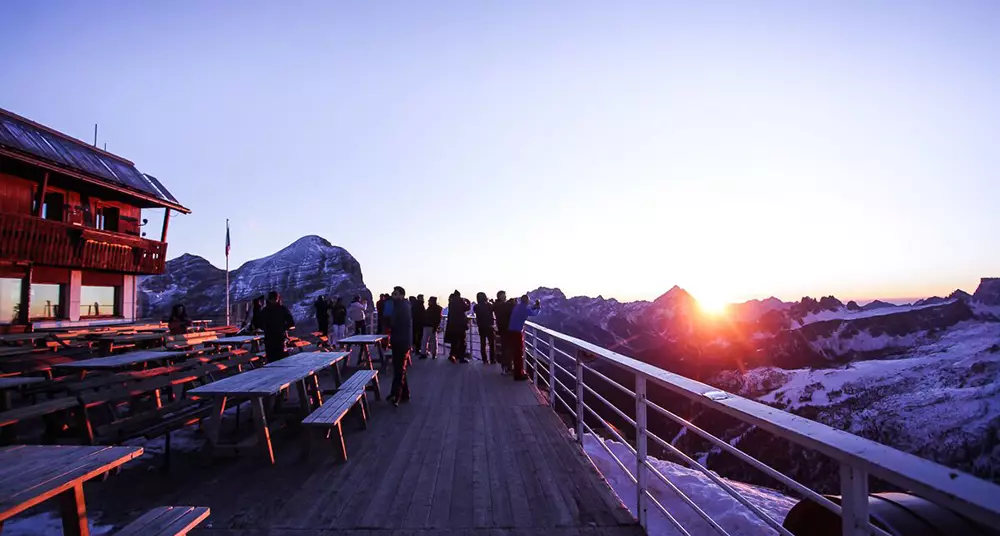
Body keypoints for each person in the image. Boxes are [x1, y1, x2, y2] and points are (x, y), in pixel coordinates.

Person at [386, 286, 412, 407]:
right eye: (393, 293)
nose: (393, 296)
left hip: (402, 341)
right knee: (399, 367)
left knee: (399, 368)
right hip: (398, 340)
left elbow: (396, 323)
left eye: (395, 294)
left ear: (401, 295)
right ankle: (404, 393)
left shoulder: (403, 307)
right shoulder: (399, 306)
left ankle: (397, 395)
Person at [507, 294, 540, 380]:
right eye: (528, 300)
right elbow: (534, 313)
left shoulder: (518, 306)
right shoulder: (524, 308)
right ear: (526, 301)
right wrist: (538, 307)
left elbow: (528, 310)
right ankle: (518, 375)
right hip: (517, 332)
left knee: (515, 352)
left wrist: (534, 307)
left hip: (511, 331)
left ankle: (517, 371)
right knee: (519, 353)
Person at [257, 290, 295, 362]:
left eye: (275, 299)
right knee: (274, 361)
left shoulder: (268, 310)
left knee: (280, 360)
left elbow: (291, 323)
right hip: (271, 339)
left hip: (278, 339)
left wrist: (282, 328)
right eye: (273, 299)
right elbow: (260, 324)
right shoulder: (268, 310)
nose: (274, 301)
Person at [445, 291, 471, 363]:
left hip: (452, 326)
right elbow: (467, 308)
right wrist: (468, 301)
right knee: (462, 342)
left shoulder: (451, 303)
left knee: (454, 342)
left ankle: (452, 356)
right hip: (460, 326)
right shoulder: (460, 301)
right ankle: (461, 358)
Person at [493, 291, 514, 373]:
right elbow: (509, 311)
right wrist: (512, 304)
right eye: (504, 296)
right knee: (508, 348)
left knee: (505, 347)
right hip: (506, 328)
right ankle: (507, 366)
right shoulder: (503, 306)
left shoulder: (496, 305)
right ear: (500, 297)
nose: (505, 297)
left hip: (502, 328)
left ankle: (505, 366)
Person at [474, 292, 496, 364]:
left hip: (481, 327)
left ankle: (485, 360)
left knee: (482, 344)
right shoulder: (489, 305)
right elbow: (494, 308)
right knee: (492, 344)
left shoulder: (476, 307)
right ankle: (492, 359)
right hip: (489, 326)